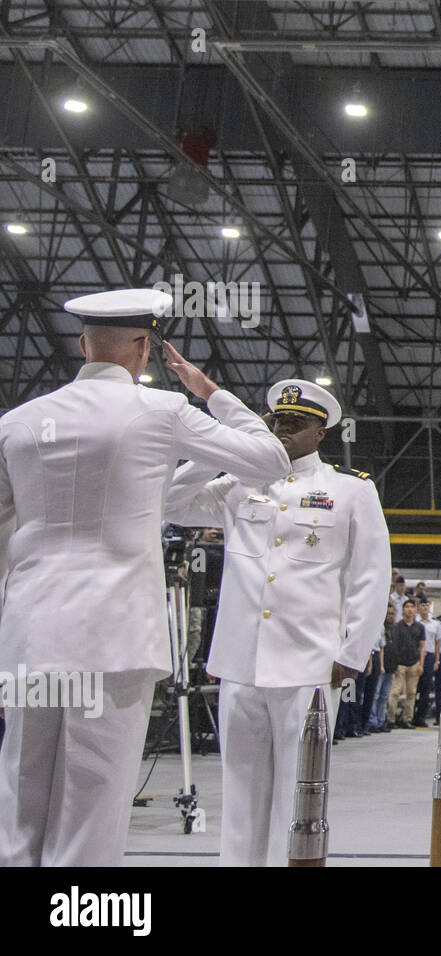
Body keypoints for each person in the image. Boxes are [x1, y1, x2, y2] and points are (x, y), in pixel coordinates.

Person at [0, 288, 290, 866]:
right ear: (142, 348)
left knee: (18, 794)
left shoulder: (17, 422)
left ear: (84, 345)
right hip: (114, 639)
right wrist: (208, 392)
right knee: (93, 798)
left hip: (29, 635)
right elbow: (271, 458)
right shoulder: (161, 411)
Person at [163, 377, 391, 866]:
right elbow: (169, 503)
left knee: (300, 796)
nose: (284, 429)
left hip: (309, 667)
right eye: (277, 421)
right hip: (240, 664)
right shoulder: (237, 485)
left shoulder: (349, 491)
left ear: (320, 432)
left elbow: (371, 576)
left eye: (297, 423)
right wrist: (220, 449)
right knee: (240, 794)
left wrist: (352, 653)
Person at [386, 599, 425, 729]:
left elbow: (422, 646)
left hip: (414, 663)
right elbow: (394, 646)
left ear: (415, 610)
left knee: (411, 693)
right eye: (407, 606)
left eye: (412, 607)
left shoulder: (420, 627)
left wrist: (421, 664)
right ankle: (391, 719)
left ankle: (407, 719)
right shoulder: (398, 626)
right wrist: (395, 664)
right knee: (395, 692)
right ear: (403, 610)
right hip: (400, 664)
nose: (409, 609)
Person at [412, 600, 440, 727]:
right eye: (422, 605)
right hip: (416, 656)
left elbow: (437, 643)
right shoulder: (415, 622)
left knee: (426, 689)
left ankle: (421, 717)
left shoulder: (435, 624)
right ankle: (410, 715)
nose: (424, 608)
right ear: (418, 608)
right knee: (413, 688)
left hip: (429, 657)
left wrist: (436, 660)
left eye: (427, 605)